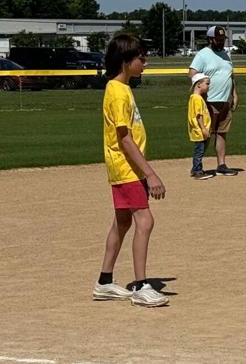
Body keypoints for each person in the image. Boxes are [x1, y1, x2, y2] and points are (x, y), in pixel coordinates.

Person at [92, 34, 169, 308]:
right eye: (141, 58)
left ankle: (104, 281)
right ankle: (141, 285)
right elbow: (124, 138)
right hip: (126, 168)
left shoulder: (122, 89)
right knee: (145, 221)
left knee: (123, 222)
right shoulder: (116, 91)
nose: (145, 63)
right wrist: (150, 173)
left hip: (126, 167)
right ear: (126, 61)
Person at [189, 25, 238, 176]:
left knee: (222, 133)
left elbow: (231, 76)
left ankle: (221, 164)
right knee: (206, 134)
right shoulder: (203, 55)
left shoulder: (226, 54)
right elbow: (192, 74)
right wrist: (200, 92)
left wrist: (234, 94)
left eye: (223, 39)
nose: (221, 41)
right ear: (210, 39)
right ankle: (197, 167)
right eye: (218, 39)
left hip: (224, 100)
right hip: (209, 100)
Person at [188, 72, 215, 179]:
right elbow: (198, 115)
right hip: (199, 130)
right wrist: (203, 128)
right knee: (199, 151)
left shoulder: (196, 98)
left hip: (200, 130)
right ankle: (197, 171)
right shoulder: (197, 99)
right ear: (198, 84)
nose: (208, 86)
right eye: (207, 84)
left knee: (200, 150)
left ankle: (196, 168)